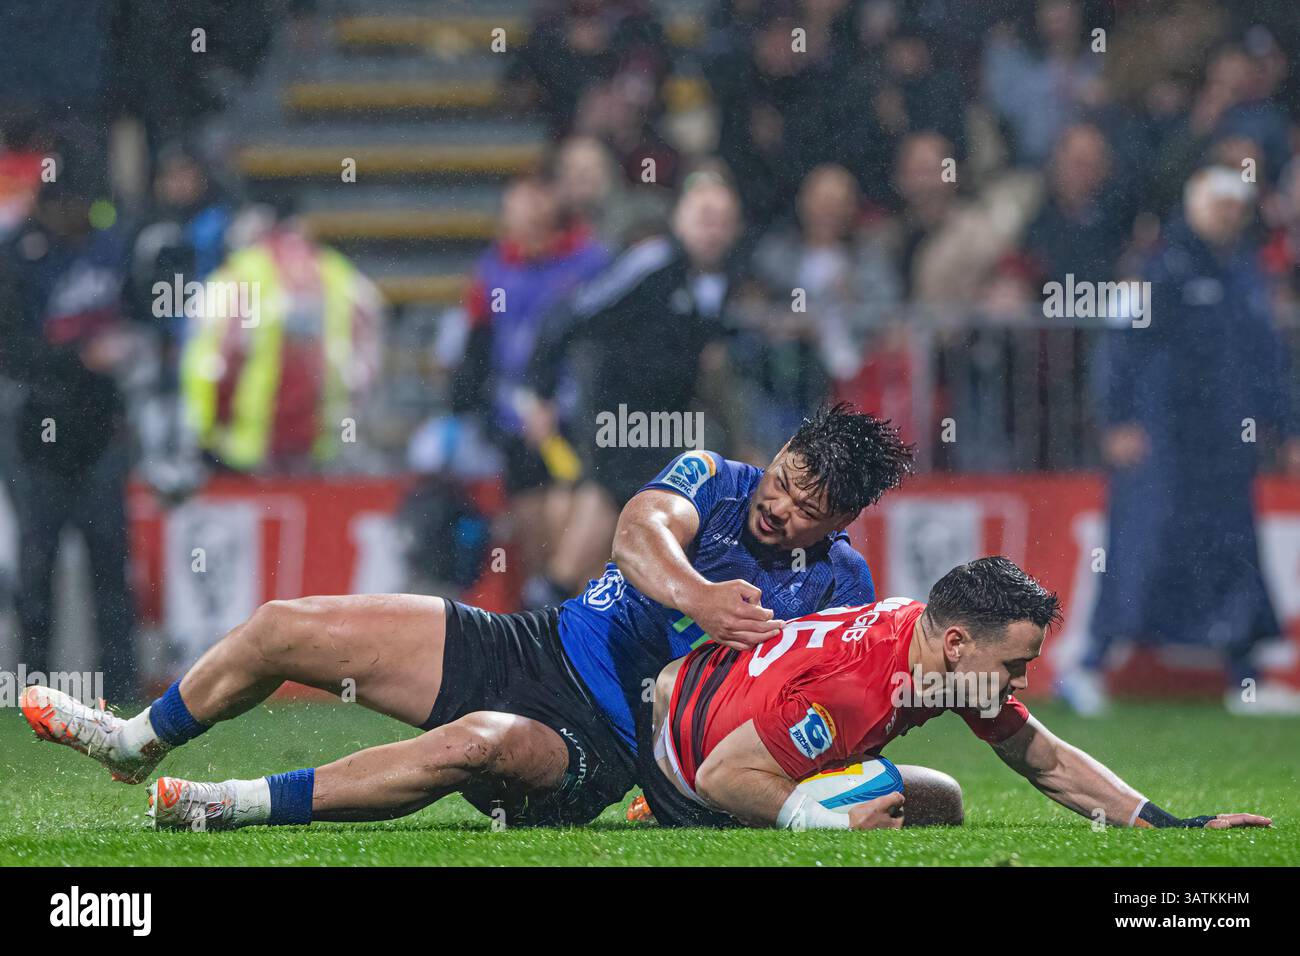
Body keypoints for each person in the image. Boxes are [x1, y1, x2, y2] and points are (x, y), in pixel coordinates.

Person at [20, 404, 914, 830]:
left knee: (475, 745)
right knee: (282, 625)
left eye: (810, 503)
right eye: (787, 473)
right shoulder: (712, 477)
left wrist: (691, 791)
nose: (781, 505)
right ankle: (138, 742)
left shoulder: (842, 592)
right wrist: (700, 599)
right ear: (782, 450)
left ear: (842, 521)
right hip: (532, 642)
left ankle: (226, 805)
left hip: (604, 744)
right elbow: (637, 531)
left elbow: (822, 719)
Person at [639, 557, 1271, 832]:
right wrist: (823, 822)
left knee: (940, 798)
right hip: (695, 762)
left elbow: (1040, 756)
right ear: (959, 643)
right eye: (1016, 664)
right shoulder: (859, 687)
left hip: (712, 691)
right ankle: (669, 807)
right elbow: (725, 773)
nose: (1022, 683)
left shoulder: (937, 646)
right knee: (880, 796)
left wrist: (1168, 825)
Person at [1061, 166, 1300, 716]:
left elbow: (1267, 362)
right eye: (1217, 203)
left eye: (1235, 205)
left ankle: (1247, 679)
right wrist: (1116, 420)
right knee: (1138, 548)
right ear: (1193, 206)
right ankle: (1088, 667)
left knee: (1233, 549)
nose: (1227, 214)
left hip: (1224, 447)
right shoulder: (1157, 269)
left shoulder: (1246, 274)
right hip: (1159, 443)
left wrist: (1284, 428)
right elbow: (1117, 349)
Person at [521, 173, 747, 598]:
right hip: (621, 418)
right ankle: (542, 618)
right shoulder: (652, 261)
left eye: (723, 221)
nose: (713, 230)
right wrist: (541, 396)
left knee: (620, 541)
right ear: (678, 218)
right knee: (603, 519)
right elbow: (569, 315)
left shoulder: (722, 283)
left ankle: (572, 621)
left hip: (672, 425)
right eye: (704, 217)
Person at [0, 153, 140, 699]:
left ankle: (122, 688)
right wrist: (77, 357)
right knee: (38, 567)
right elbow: (10, 350)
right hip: (37, 433)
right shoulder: (17, 257)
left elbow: (138, 313)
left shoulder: (108, 246)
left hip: (100, 428)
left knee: (110, 563)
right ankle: (33, 687)